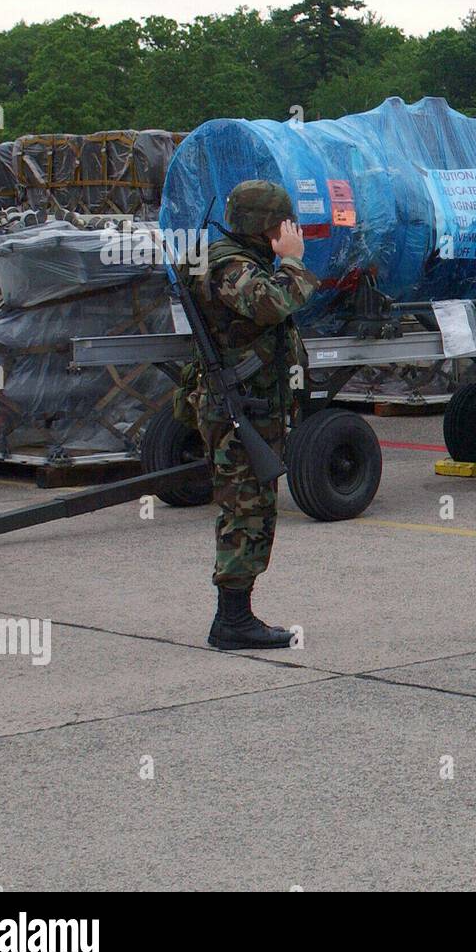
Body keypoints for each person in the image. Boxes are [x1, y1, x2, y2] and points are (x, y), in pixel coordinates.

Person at [184, 180, 318, 650]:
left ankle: (236, 615)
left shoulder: (238, 260)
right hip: (237, 409)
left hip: (252, 405)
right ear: (267, 227)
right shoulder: (230, 266)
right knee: (246, 511)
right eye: (283, 223)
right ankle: (232, 621)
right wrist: (293, 260)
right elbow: (271, 303)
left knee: (254, 508)